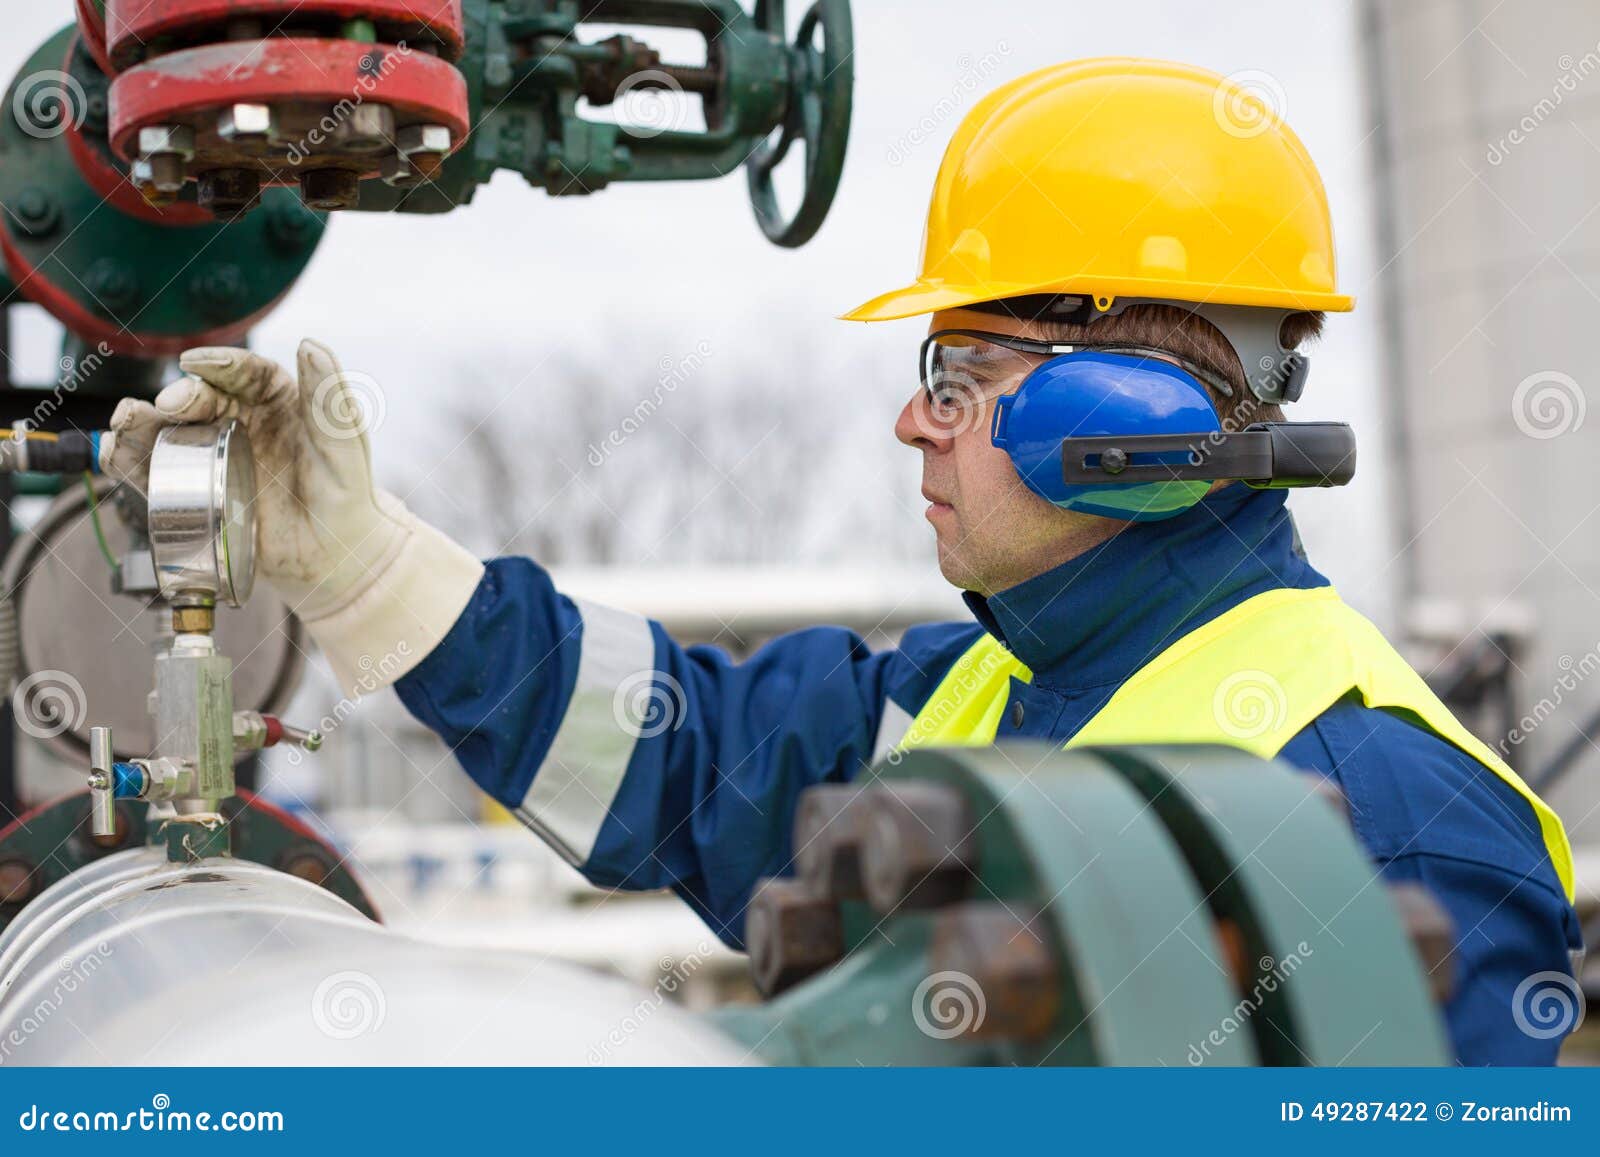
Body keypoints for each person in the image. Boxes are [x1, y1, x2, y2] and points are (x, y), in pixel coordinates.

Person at [104, 58, 1579, 1065]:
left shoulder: (1403, 830)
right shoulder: (968, 693)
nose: (912, 419)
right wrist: (362, 564)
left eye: (962, 368)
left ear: (1120, 416)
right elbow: (674, 757)